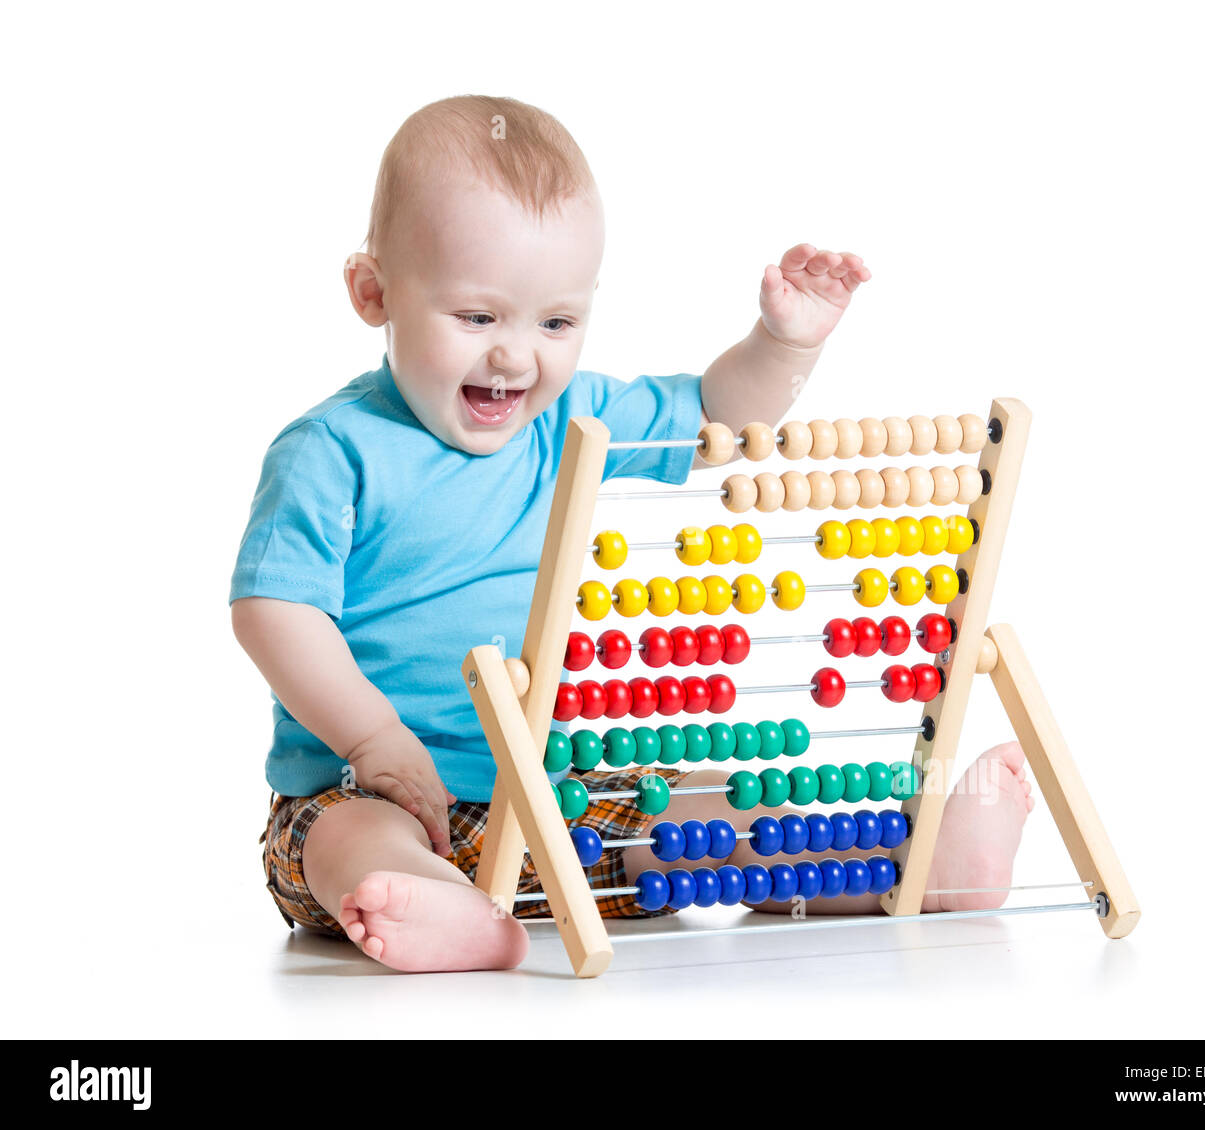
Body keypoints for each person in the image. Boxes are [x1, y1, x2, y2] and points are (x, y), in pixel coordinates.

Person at [231, 95, 1032, 973]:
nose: (516, 356)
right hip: (376, 788)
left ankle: (923, 864)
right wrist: (376, 740)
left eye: (556, 323)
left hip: (567, 795)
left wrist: (783, 343)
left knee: (708, 814)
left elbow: (710, 418)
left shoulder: (571, 418)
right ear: (373, 291)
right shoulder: (332, 450)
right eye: (476, 318)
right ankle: (442, 907)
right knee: (350, 843)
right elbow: (274, 610)